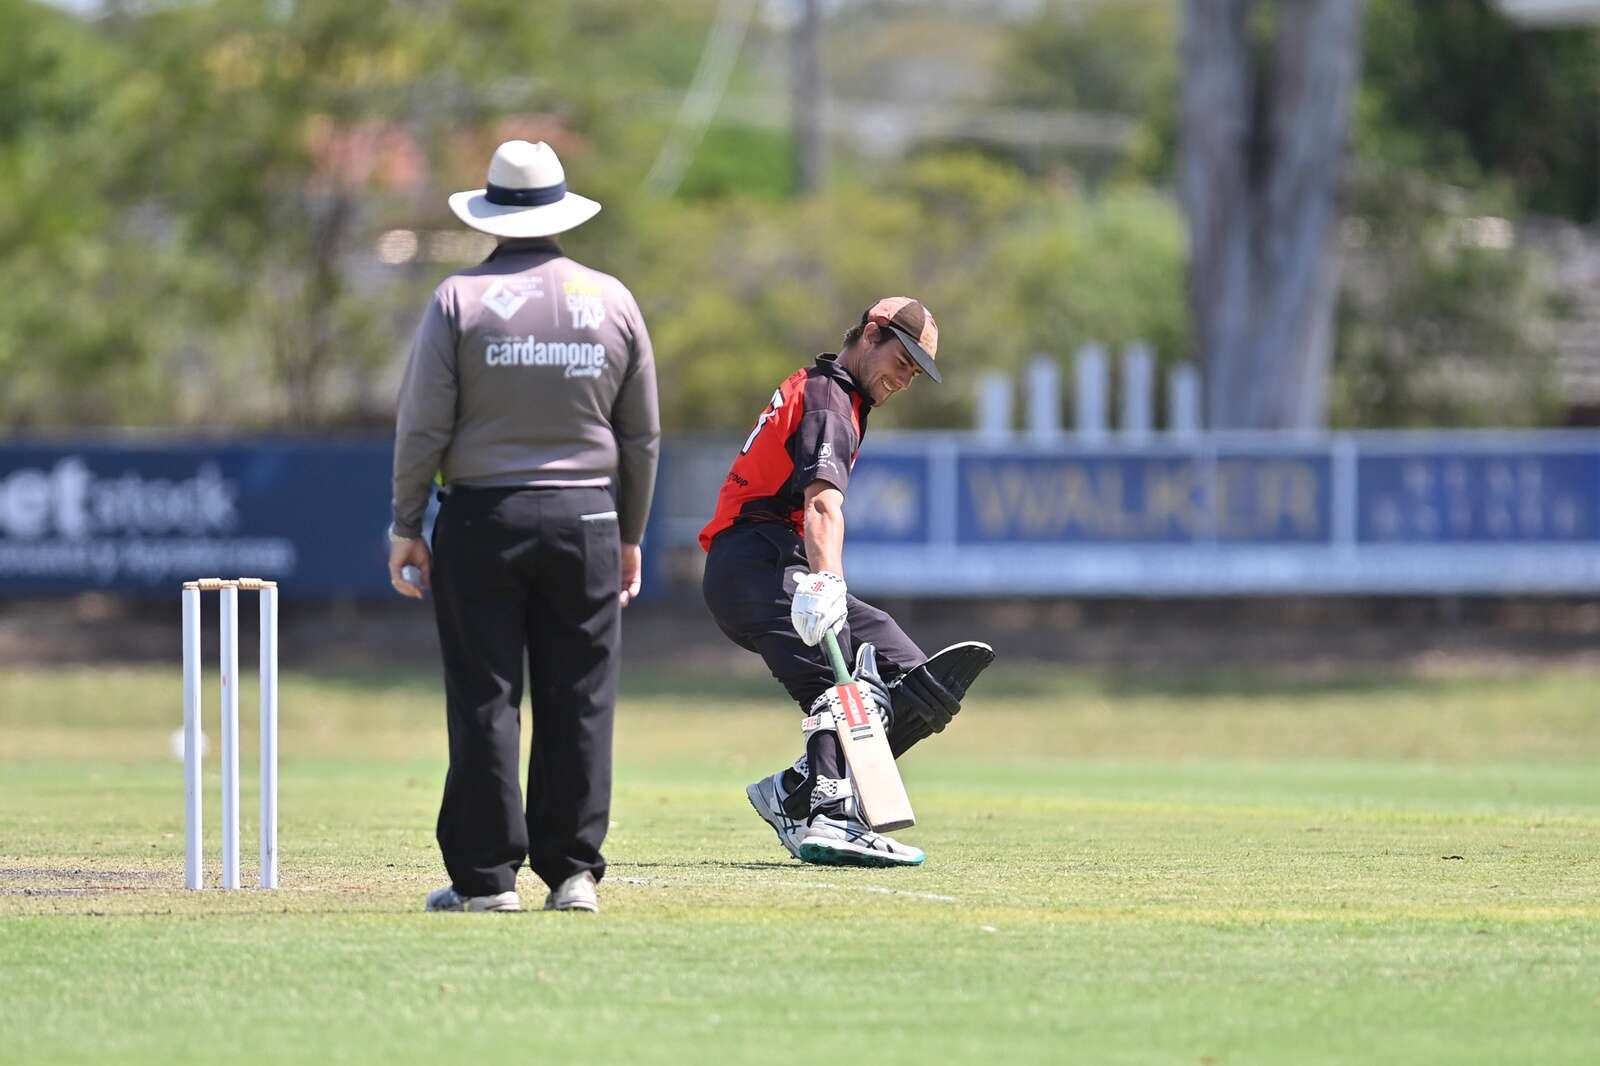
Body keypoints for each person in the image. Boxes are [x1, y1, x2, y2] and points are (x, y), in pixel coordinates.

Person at [389, 140, 659, 913]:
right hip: (588, 519)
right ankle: (573, 873)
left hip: (482, 516)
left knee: (486, 694)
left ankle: (487, 881)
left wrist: (406, 521)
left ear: (492, 214)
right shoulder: (612, 300)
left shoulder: (458, 301)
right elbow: (640, 436)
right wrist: (631, 532)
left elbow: (421, 428)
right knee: (581, 695)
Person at [699, 298, 994, 867]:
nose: (904, 378)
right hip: (754, 559)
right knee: (843, 684)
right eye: (900, 360)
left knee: (915, 680)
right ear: (871, 334)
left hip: (764, 560)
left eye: (914, 371)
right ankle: (831, 815)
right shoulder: (830, 400)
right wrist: (826, 583)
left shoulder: (838, 395)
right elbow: (822, 506)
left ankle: (796, 790)